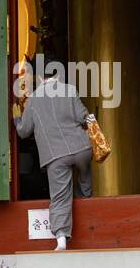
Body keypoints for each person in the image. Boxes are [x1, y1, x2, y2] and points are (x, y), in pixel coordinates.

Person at [13, 58, 93, 250]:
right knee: (85, 181)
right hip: (81, 148)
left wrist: (16, 118)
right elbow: (84, 117)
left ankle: (61, 239)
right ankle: (89, 213)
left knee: (60, 196)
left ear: (40, 77)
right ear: (58, 75)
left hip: (55, 155)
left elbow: (24, 131)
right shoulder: (70, 89)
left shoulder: (33, 100)